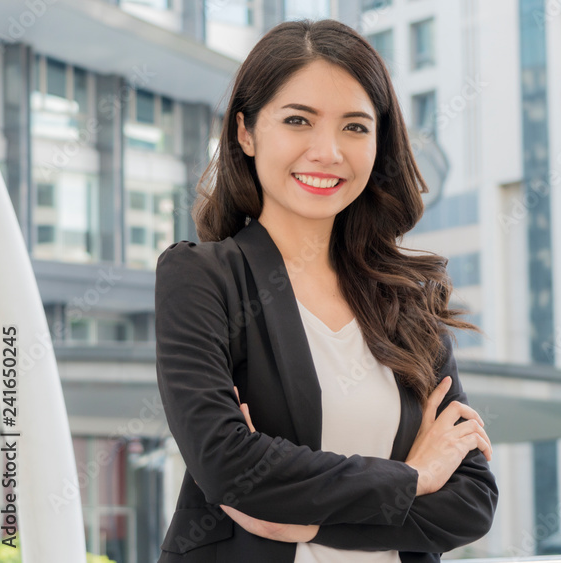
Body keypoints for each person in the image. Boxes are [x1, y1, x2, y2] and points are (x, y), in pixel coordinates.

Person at [154, 18, 497, 563]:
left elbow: (471, 500)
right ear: (245, 131)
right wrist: (414, 476)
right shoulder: (202, 278)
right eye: (298, 120)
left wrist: (303, 522)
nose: (327, 152)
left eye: (355, 127)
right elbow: (228, 465)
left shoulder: (405, 296)